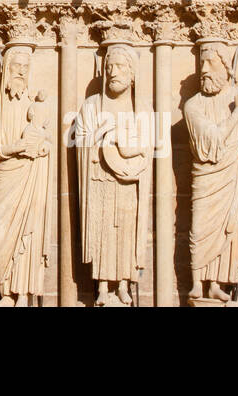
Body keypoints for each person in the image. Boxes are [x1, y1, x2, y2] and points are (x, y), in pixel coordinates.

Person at [182, 44, 238, 303]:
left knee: (230, 227)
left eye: (211, 63)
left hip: (235, 175)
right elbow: (211, 141)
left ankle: (217, 281)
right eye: (202, 65)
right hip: (207, 176)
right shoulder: (192, 105)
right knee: (200, 227)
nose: (204, 70)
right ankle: (197, 281)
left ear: (226, 68)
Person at [73, 42, 149, 306]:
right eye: (109, 67)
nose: (113, 72)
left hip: (128, 182)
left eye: (119, 66)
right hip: (100, 181)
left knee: (126, 229)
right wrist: (98, 140)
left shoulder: (141, 109)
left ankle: (124, 284)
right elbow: (80, 141)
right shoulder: (92, 105)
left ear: (132, 72)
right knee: (103, 230)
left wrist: (122, 144)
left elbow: (148, 147)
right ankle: (103, 286)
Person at [0, 44, 51, 306]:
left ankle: (22, 293)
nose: (21, 72)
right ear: (6, 68)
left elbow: (45, 138)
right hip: (6, 175)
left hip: (29, 176)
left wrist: (43, 149)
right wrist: (18, 147)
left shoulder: (33, 105)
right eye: (16, 66)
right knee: (1, 235)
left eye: (26, 67)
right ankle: (5, 291)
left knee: (29, 230)